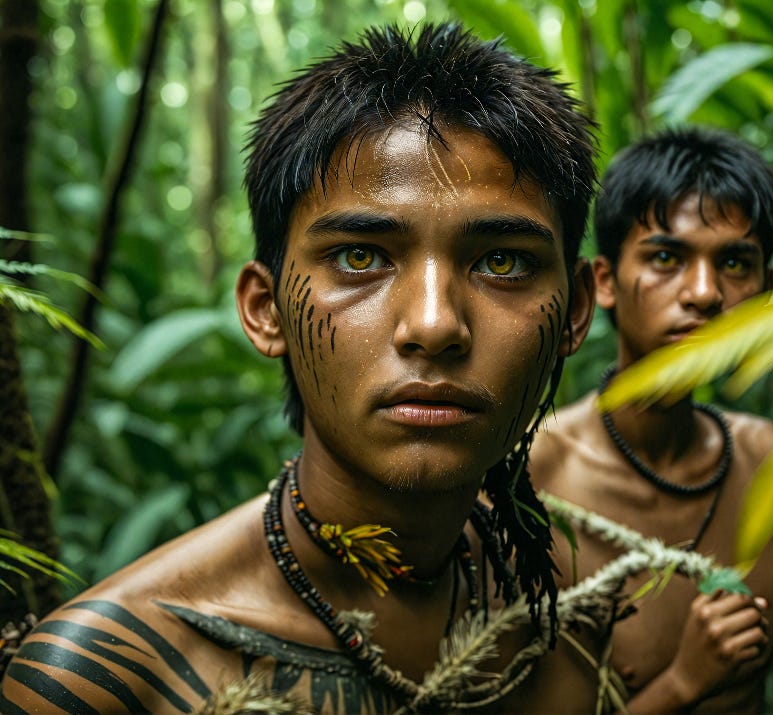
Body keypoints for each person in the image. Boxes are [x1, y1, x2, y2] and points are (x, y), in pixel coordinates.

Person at [0, 23, 604, 714]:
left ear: (576, 310)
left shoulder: (571, 620)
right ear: (265, 310)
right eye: (360, 257)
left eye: (502, 261)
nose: (435, 324)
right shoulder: (108, 676)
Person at [531, 127, 773, 713]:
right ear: (602, 283)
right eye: (666, 258)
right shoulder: (534, 482)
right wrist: (684, 683)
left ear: (765, 294)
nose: (704, 293)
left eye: (735, 263)